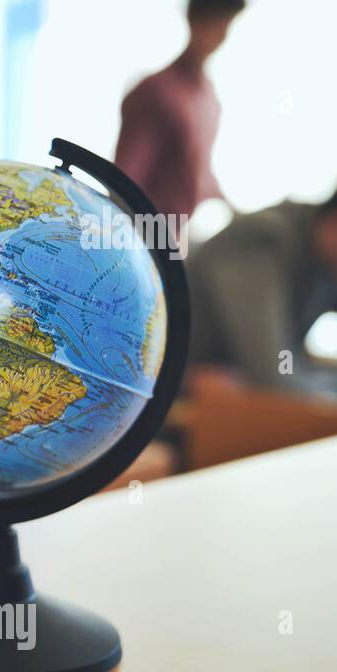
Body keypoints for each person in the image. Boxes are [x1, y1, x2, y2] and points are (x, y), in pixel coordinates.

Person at [186, 191, 337, 395]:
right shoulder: (260, 239)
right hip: (174, 391)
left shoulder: (324, 267)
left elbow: (286, 362)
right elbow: (274, 373)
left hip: (230, 396)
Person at [114, 0, 245, 223]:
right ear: (195, 20)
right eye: (217, 24)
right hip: (144, 231)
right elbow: (123, 181)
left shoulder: (208, 96)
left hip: (177, 231)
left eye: (227, 25)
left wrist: (237, 214)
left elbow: (197, 171)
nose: (222, 35)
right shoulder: (153, 92)